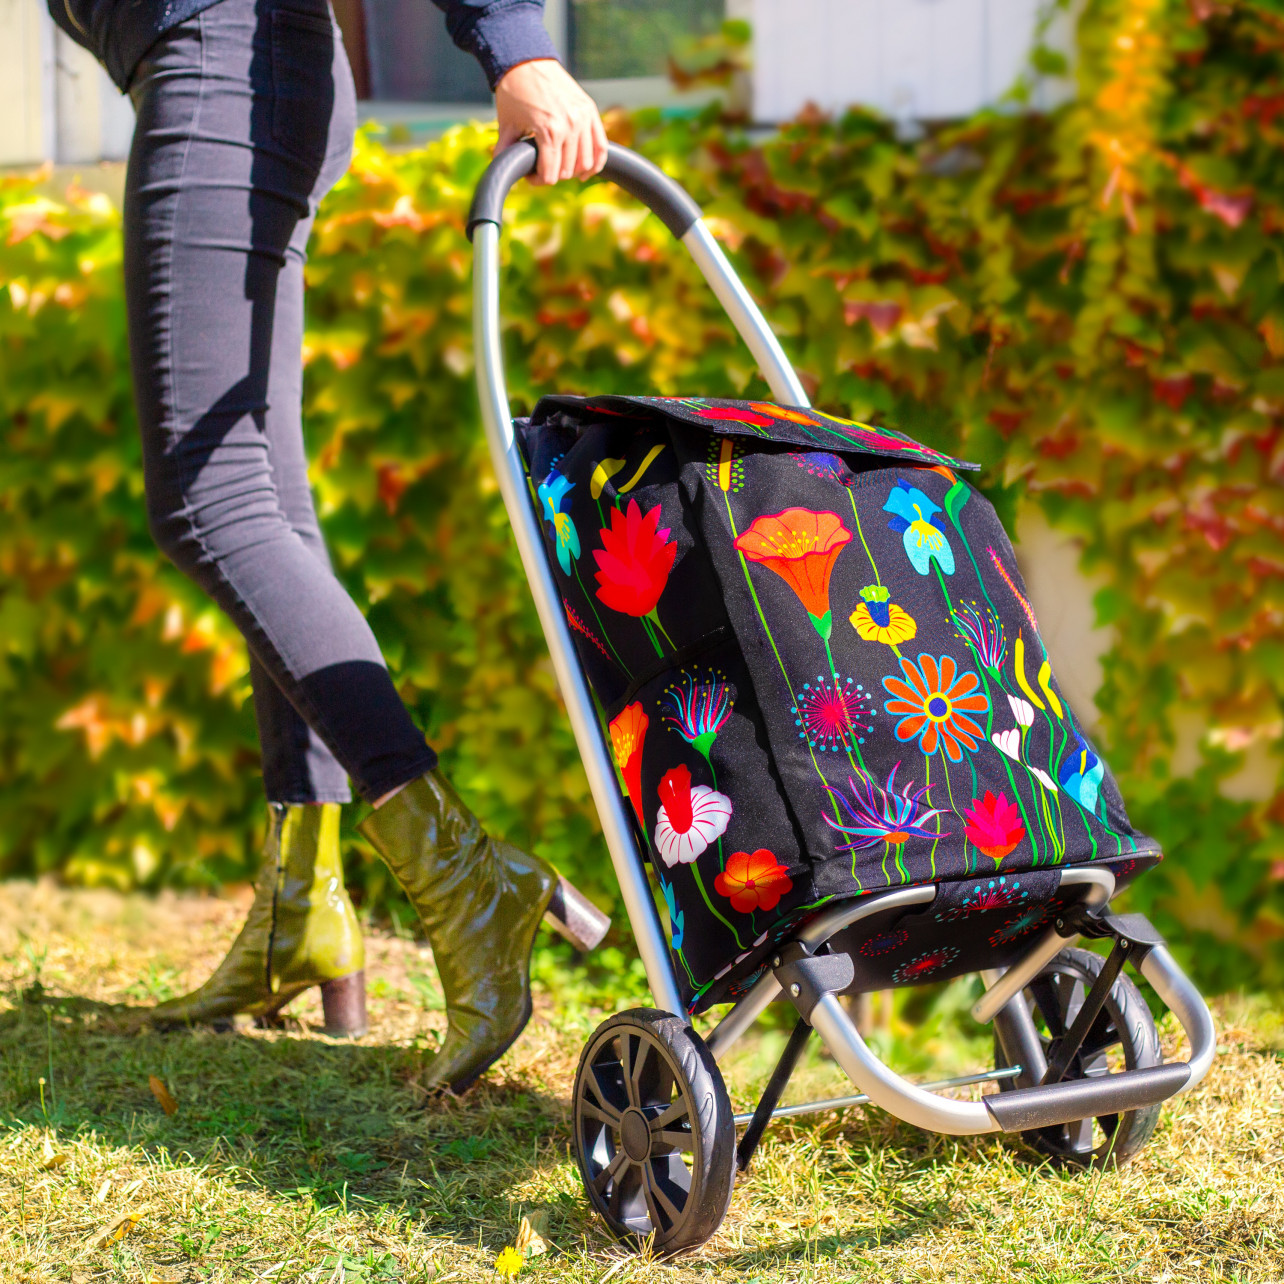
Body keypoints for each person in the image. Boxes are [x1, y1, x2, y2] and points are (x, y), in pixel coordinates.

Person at [46, 0, 609, 1095]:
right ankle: (304, 915)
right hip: (235, 63)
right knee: (262, 499)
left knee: (209, 503)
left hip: (222, 54)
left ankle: (464, 877)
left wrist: (516, 43)